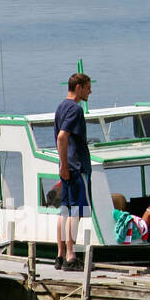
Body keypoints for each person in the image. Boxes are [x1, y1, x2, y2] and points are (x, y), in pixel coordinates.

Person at [54, 73, 93, 271]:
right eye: (87, 87)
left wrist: (62, 165)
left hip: (67, 166)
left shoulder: (61, 106)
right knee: (74, 213)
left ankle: (60, 255)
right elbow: (62, 137)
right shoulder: (75, 109)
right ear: (78, 87)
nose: (90, 91)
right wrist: (65, 165)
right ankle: (70, 256)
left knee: (64, 210)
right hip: (75, 167)